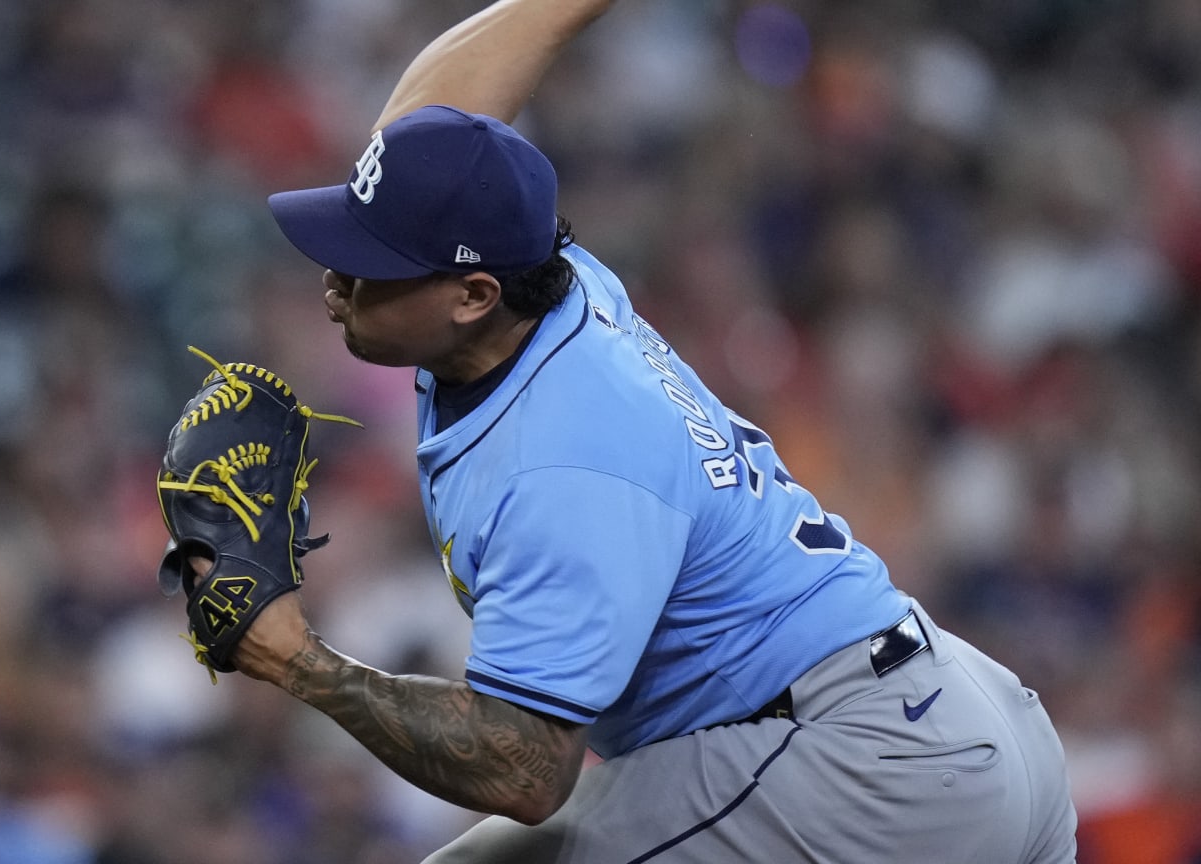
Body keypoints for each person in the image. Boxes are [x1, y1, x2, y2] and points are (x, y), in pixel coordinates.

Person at [198, 0, 1080, 860]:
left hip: (863, 766)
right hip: (944, 721)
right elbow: (434, 129)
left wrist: (297, 660)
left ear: (471, 297)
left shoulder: (563, 461)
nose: (335, 279)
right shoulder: (540, 273)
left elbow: (525, 770)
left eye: (370, 267)